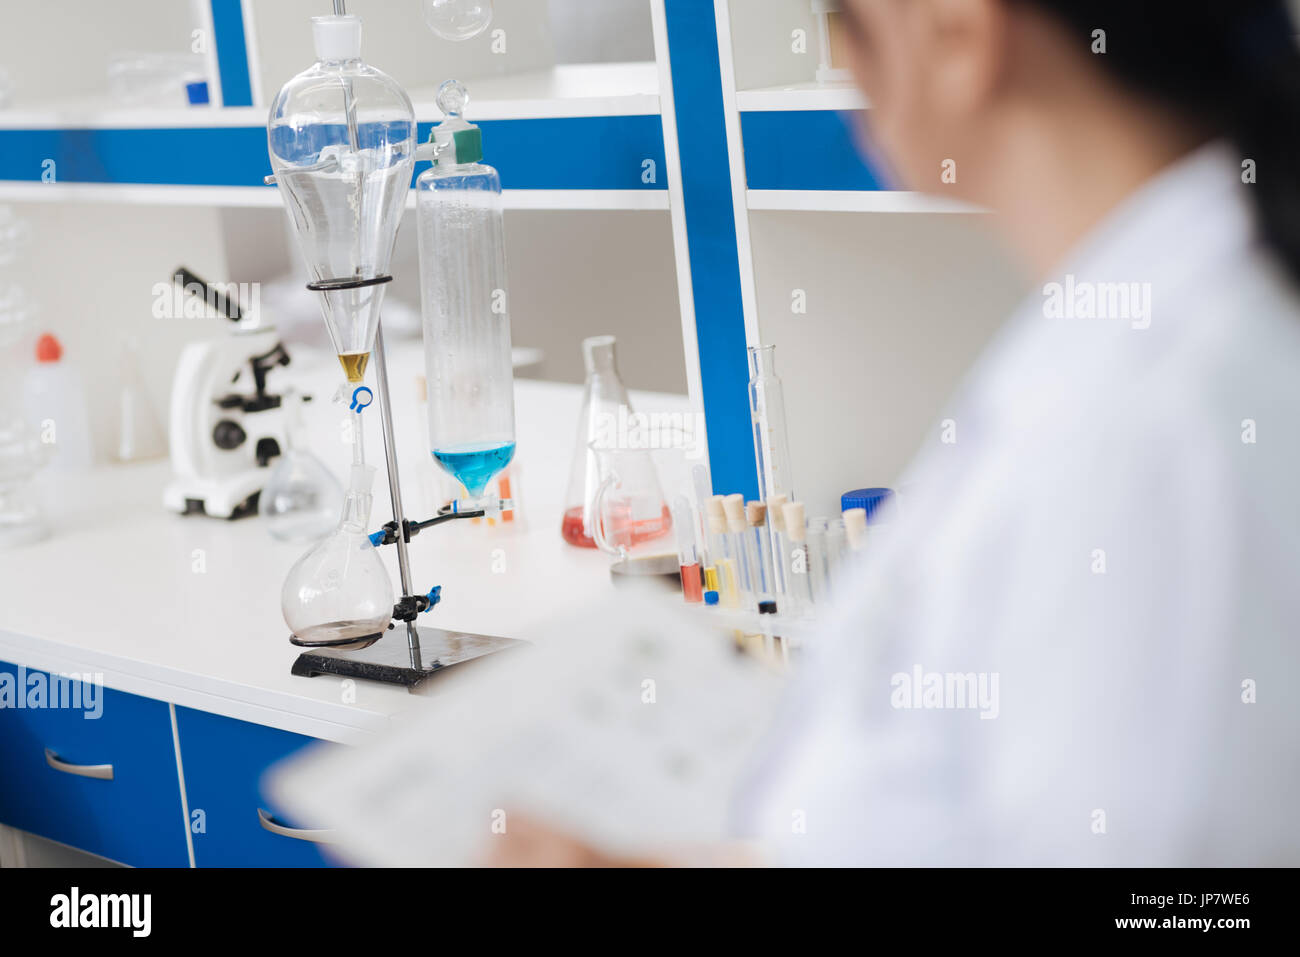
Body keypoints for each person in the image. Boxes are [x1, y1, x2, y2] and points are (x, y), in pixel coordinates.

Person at [494, 0, 1300, 866]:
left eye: (840, 22)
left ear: (956, 33)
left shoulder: (1144, 416)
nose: (842, 70)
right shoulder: (1145, 328)